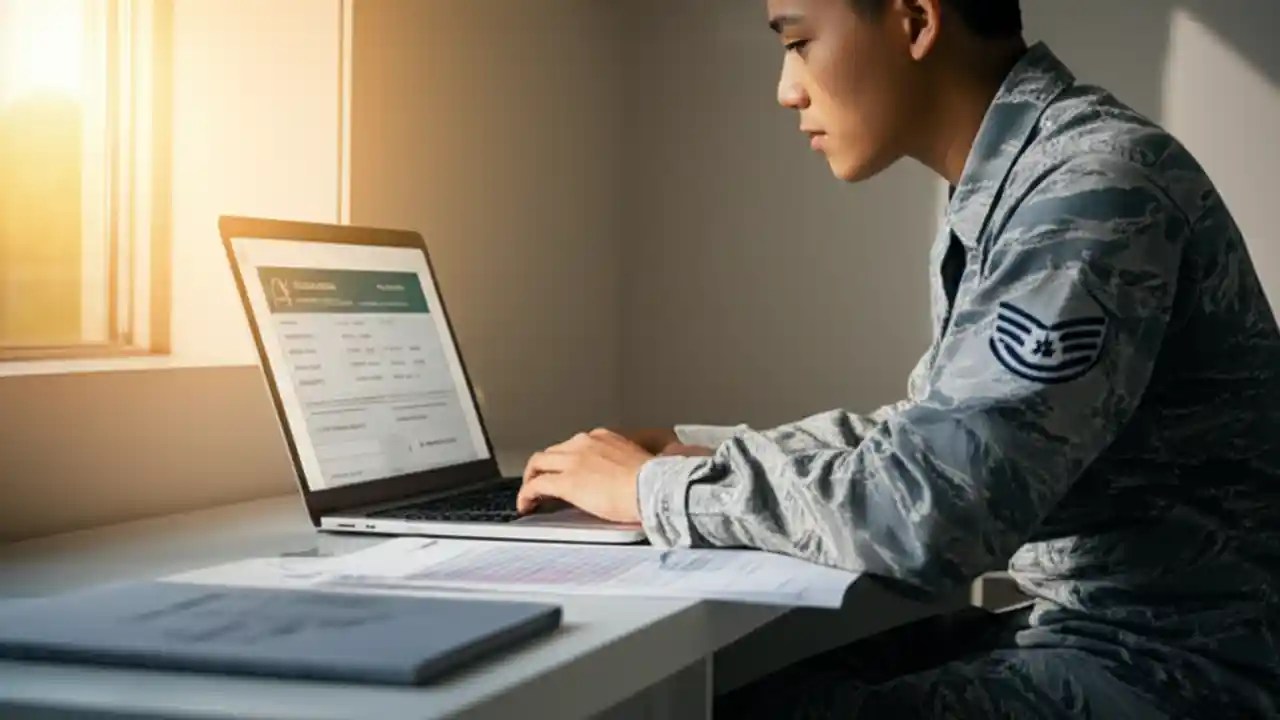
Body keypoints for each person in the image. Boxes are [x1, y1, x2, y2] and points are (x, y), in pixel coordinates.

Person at [517, 0, 1280, 716]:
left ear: (915, 20)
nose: (787, 90)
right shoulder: (1022, 180)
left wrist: (658, 490)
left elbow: (934, 513)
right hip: (1105, 631)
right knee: (731, 695)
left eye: (797, 42)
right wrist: (704, 451)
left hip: (1181, 667)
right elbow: (924, 440)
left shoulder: (1088, 189)